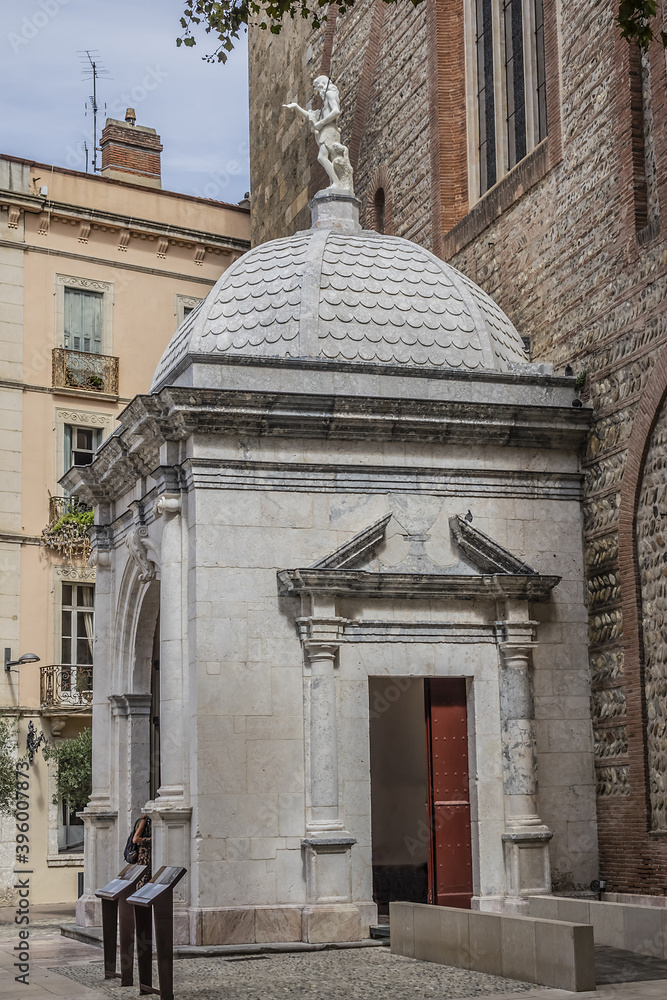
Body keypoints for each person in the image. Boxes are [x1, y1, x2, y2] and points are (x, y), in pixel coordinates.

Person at [283, 76, 354, 194]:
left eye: (317, 87)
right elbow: (311, 115)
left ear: (322, 84)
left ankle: (336, 182)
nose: (317, 90)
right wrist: (296, 106)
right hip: (325, 131)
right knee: (327, 158)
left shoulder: (330, 94)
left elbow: (336, 111)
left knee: (322, 157)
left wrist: (321, 123)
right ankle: (335, 183)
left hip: (330, 131)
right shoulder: (324, 103)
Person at [132, 813, 151, 888]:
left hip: (146, 854)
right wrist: (149, 839)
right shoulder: (143, 821)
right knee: (144, 877)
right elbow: (135, 839)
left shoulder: (147, 821)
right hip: (144, 855)